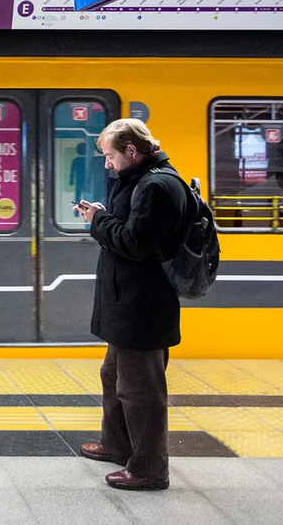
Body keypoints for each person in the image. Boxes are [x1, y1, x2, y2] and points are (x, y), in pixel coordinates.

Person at [74, 118, 187, 491]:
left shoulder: (156, 186)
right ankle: (117, 444)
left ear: (132, 151)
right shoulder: (142, 181)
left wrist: (98, 220)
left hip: (142, 306)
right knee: (113, 376)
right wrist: (105, 216)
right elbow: (131, 230)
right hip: (128, 302)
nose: (107, 164)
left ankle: (149, 469)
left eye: (110, 156)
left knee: (141, 392)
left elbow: (135, 244)